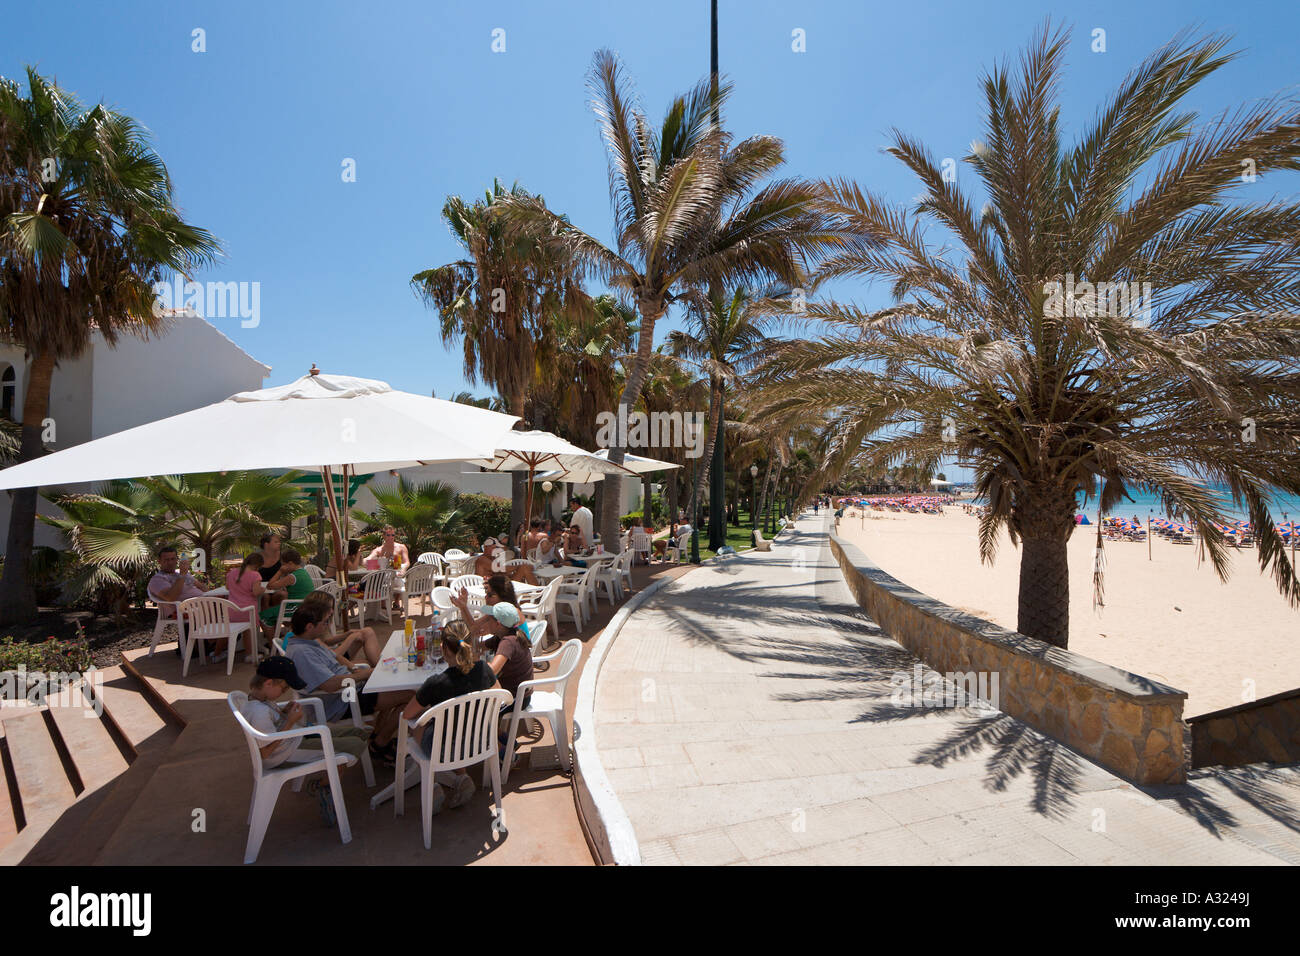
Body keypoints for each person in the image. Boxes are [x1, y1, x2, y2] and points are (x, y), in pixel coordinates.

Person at [241, 655, 369, 824]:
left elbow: (273, 727)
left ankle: (330, 778)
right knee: (355, 745)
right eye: (284, 688)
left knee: (358, 733)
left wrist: (285, 713)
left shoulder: (261, 699)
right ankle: (323, 786)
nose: (284, 692)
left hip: (296, 738)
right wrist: (290, 721)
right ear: (268, 683)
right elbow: (265, 751)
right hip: (288, 753)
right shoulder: (259, 713)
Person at [281, 602, 408, 765]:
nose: (328, 626)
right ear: (309, 626)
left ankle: (378, 735)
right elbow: (330, 685)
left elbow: (335, 662)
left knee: (395, 683)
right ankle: (380, 744)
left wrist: (357, 670)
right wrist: (366, 674)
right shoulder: (302, 652)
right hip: (342, 701)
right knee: (411, 695)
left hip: (348, 690)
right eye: (325, 622)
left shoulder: (308, 642)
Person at [397, 620, 496, 812]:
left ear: (443, 648)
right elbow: (499, 696)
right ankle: (462, 776)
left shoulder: (436, 683)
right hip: (480, 742)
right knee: (452, 725)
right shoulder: (484, 669)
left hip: (442, 750)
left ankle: (432, 783)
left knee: (415, 722)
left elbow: (407, 714)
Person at [260, 548, 315, 629]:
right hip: (306, 605)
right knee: (273, 611)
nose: (282, 567)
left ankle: (273, 640)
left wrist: (280, 571)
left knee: (263, 616)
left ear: (290, 563)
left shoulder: (292, 577)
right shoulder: (303, 572)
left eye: (283, 565)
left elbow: (270, 586)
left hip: (297, 608)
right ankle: (284, 633)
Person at [474, 537, 539, 586]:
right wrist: (518, 566)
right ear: (485, 547)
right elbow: (501, 569)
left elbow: (503, 573)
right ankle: (538, 595)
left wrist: (514, 574)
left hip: (498, 585)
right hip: (491, 588)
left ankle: (533, 595)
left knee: (524, 570)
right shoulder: (482, 559)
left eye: (496, 548)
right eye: (492, 548)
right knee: (524, 568)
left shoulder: (493, 558)